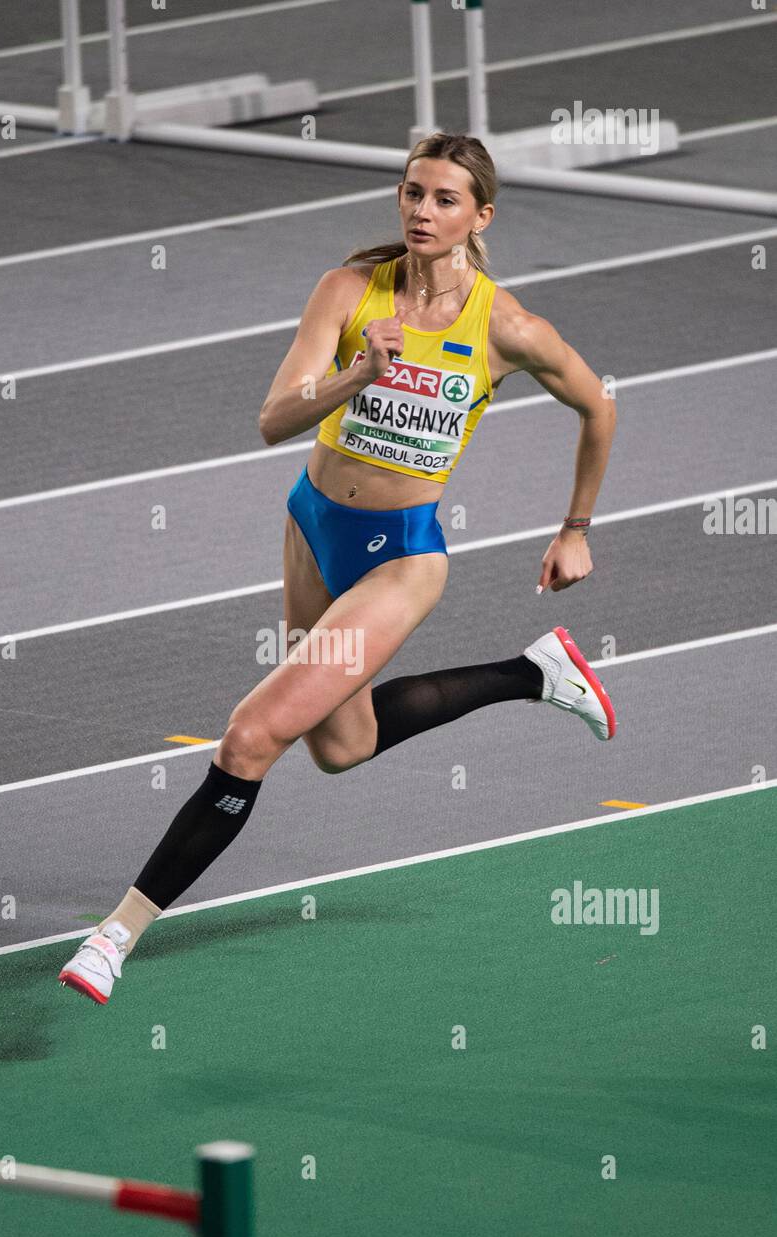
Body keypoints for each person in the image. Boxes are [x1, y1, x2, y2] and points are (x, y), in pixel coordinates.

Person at [58, 131, 617, 1005]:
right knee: (342, 745)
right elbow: (273, 419)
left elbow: (597, 407)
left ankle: (115, 934)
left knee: (250, 737)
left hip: (402, 558)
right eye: (411, 193)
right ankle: (531, 673)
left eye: (442, 200)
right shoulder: (350, 290)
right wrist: (357, 375)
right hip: (312, 525)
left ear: (481, 217)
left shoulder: (508, 327)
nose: (421, 211)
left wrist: (575, 527)